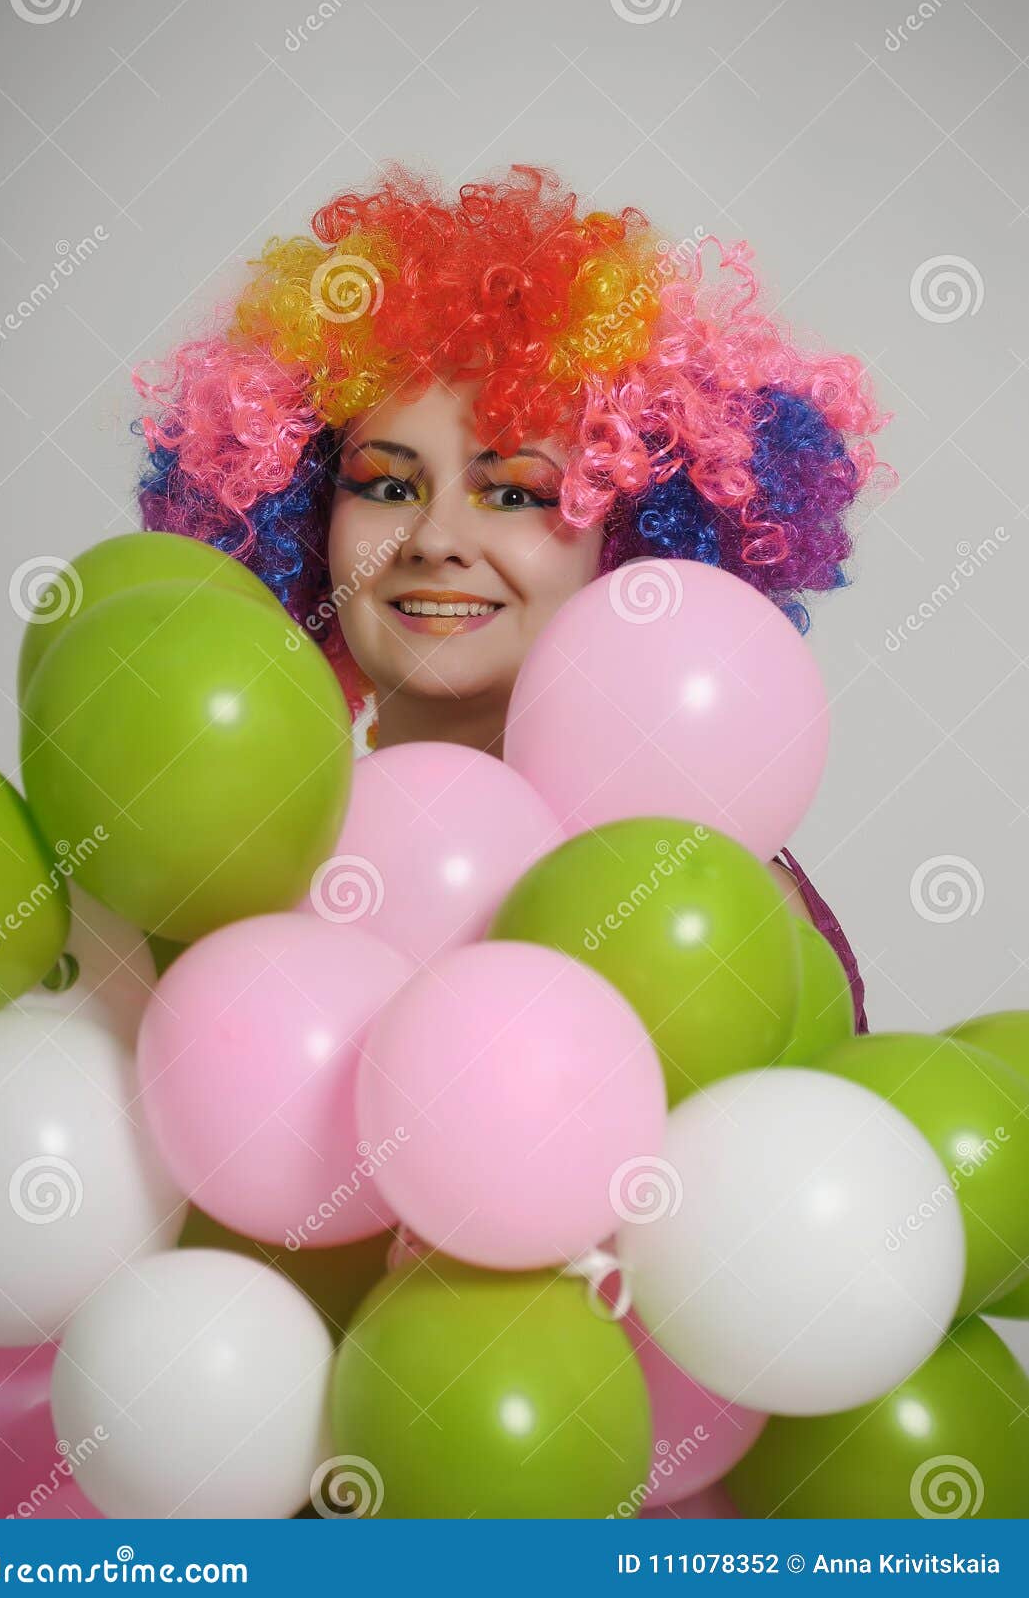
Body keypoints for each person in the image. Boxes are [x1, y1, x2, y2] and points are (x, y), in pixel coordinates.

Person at [134, 162, 886, 1032]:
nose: (434, 538)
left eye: (517, 493)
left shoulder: (701, 898)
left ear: (630, 535)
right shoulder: (234, 871)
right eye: (383, 486)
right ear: (302, 522)